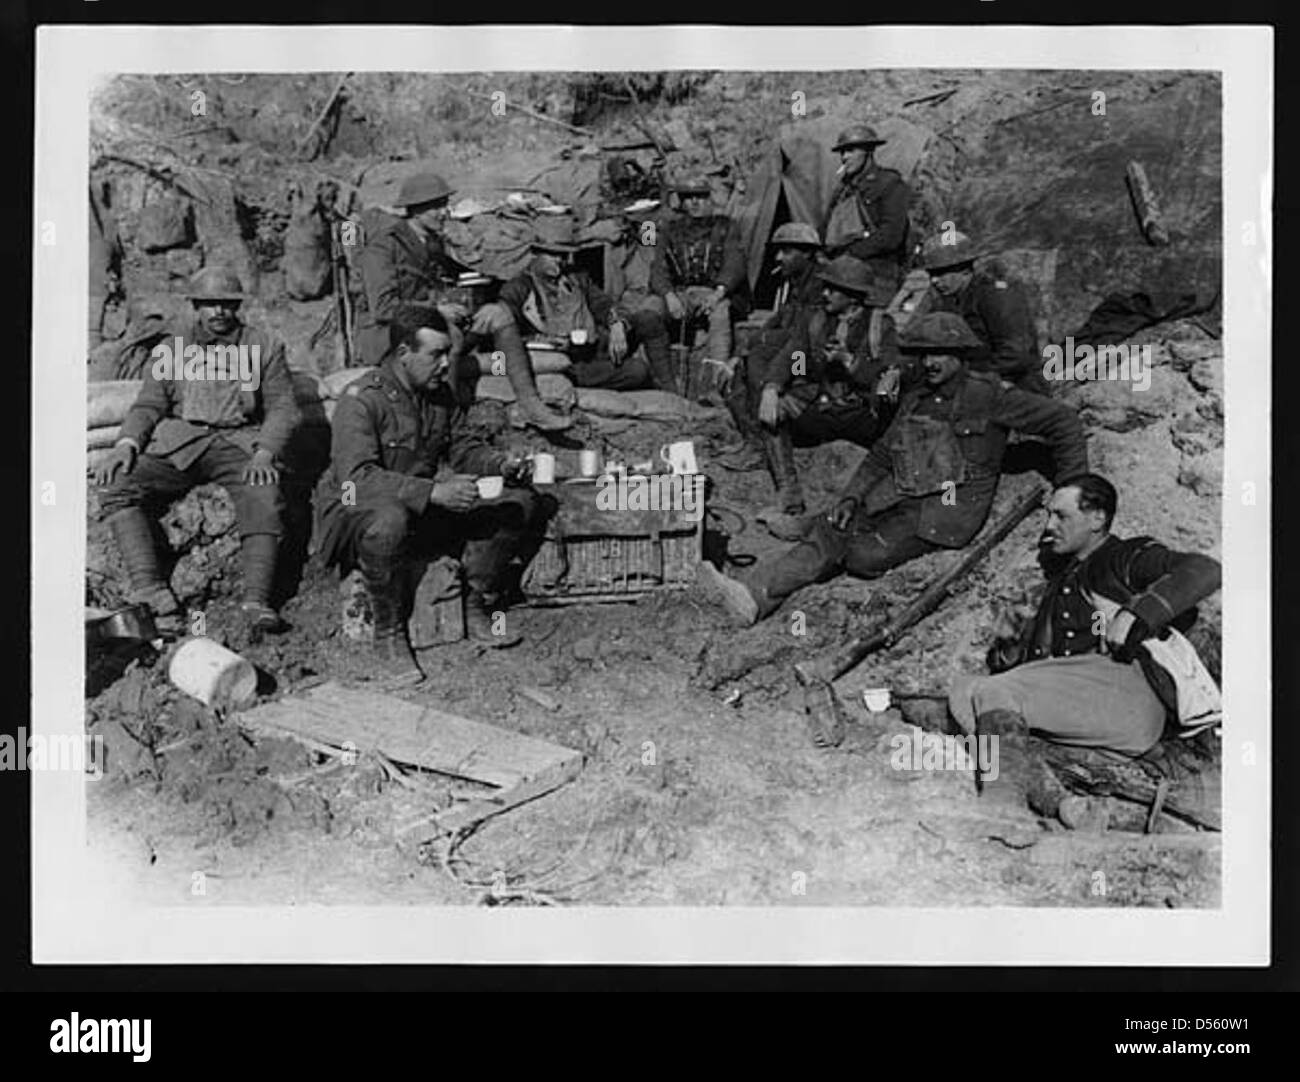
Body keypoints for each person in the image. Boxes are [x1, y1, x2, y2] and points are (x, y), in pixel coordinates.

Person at [696, 312, 1089, 625]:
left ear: (960, 357)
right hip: (904, 494)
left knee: (859, 555)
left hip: (946, 514)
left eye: (939, 354)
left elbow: (1064, 422)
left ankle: (756, 591)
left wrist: (1074, 489)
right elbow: (884, 453)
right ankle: (750, 596)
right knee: (835, 524)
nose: (929, 362)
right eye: (923, 353)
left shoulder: (989, 397)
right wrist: (851, 495)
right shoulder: (918, 396)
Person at [947, 473, 1221, 819]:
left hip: (1127, 695)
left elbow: (1206, 569)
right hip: (1084, 708)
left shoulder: (1124, 557)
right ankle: (1063, 805)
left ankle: (1004, 807)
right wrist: (1009, 647)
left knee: (994, 692)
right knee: (964, 692)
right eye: (1049, 515)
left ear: (1097, 519)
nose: (1049, 525)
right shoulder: (1059, 584)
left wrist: (1138, 613)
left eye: (1061, 515)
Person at [316, 305, 548, 686]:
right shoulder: (360, 399)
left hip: (417, 506)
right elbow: (355, 480)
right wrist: (434, 492)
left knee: (517, 501)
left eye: (448, 354)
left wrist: (499, 465)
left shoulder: (438, 396)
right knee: (389, 519)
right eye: (436, 354)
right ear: (404, 353)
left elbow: (463, 449)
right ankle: (389, 635)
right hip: (355, 513)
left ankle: (475, 602)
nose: (445, 364)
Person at [92, 267, 300, 632]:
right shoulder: (173, 348)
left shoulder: (262, 346)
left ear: (237, 306)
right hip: (181, 443)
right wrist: (126, 443)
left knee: (265, 495)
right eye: (209, 304)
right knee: (116, 483)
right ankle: (150, 589)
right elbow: (149, 404)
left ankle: (256, 600)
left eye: (227, 304)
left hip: (238, 443)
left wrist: (266, 452)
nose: (218, 311)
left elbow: (283, 407)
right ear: (196, 306)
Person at [354, 170, 570, 431]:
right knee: (453, 337)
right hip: (388, 335)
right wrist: (437, 309)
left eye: (444, 205)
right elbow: (383, 308)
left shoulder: (431, 242)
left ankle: (531, 405)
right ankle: (449, 424)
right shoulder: (384, 246)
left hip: (428, 323)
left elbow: (454, 275)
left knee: (499, 314)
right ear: (418, 210)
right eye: (437, 207)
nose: (444, 213)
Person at [750, 255, 911, 540]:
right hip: (822, 410)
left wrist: (850, 362)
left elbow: (890, 374)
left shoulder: (880, 325)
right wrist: (772, 387)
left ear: (852, 297)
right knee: (774, 408)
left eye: (832, 290)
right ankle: (789, 496)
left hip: (864, 416)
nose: (824, 294)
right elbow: (793, 354)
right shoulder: (815, 320)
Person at [496, 215, 665, 392]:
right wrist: (544, 342)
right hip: (559, 363)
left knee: (645, 333)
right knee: (635, 371)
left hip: (591, 352)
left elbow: (603, 304)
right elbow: (504, 333)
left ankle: (668, 390)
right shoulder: (518, 288)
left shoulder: (577, 278)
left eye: (562, 255)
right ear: (535, 254)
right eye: (552, 254)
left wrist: (616, 323)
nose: (559, 261)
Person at [719, 222, 826, 473]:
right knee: (746, 360)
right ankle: (752, 440)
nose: (779, 258)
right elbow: (777, 321)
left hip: (807, 362)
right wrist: (739, 353)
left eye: (787, 252)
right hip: (795, 353)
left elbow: (803, 338)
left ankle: (762, 448)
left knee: (761, 356)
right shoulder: (797, 282)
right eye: (779, 251)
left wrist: (766, 364)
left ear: (807, 253)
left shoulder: (822, 285)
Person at [919, 231, 1048, 393]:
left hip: (1017, 387)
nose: (934, 281)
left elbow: (1016, 355)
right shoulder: (953, 299)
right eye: (931, 274)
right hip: (981, 385)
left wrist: (967, 375)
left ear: (964, 269)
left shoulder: (994, 295)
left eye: (941, 273)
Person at [648, 175, 748, 373]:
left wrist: (717, 293)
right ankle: (660, 377)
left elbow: (734, 264)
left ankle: (716, 379)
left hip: (717, 294)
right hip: (682, 294)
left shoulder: (727, 227)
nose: (694, 202)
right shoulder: (670, 230)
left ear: (709, 199)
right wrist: (669, 296)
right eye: (688, 197)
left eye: (700, 197)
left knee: (720, 312)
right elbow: (658, 268)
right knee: (650, 308)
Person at [821, 125, 912, 293]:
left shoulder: (889, 183)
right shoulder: (842, 189)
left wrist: (851, 254)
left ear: (868, 151)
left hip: (878, 273)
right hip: (842, 272)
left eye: (851, 150)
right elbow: (827, 229)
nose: (844, 157)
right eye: (842, 152)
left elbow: (891, 235)